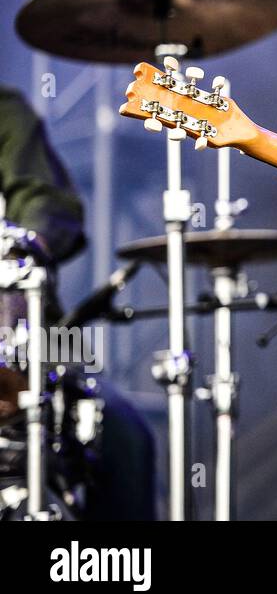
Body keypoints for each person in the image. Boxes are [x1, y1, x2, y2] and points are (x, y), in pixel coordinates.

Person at [0, 85, 156, 519]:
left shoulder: (6, 109)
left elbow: (51, 206)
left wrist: (21, 255)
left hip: (40, 334)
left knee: (125, 434)